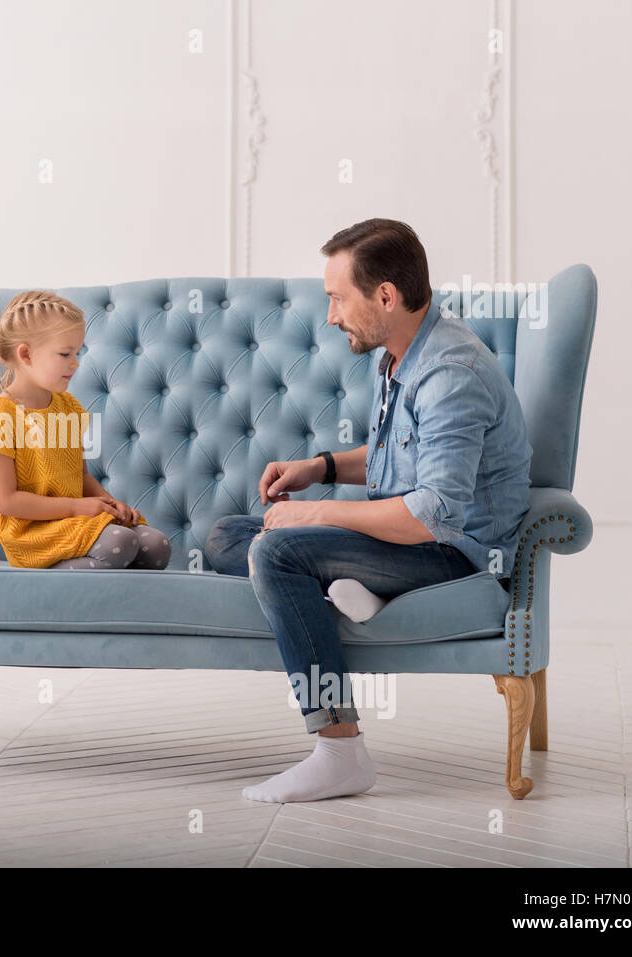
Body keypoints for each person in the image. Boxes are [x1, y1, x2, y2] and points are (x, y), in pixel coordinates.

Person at [205, 218, 532, 803]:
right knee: (228, 536)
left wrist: (319, 514)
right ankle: (349, 583)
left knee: (278, 551)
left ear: (386, 295)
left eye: (338, 298)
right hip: (406, 538)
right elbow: (394, 460)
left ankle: (339, 751)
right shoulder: (401, 353)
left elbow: (432, 515)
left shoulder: (450, 374)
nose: (331, 316)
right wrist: (320, 469)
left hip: (452, 555)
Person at [0, 290, 172, 570]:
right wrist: (77, 507)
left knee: (156, 546)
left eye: (76, 353)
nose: (75, 363)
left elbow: (80, 477)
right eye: (65, 354)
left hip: (74, 520)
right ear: (26, 354)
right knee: (121, 544)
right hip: (34, 535)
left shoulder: (68, 407)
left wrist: (111, 504)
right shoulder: (0, 416)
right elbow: (6, 501)